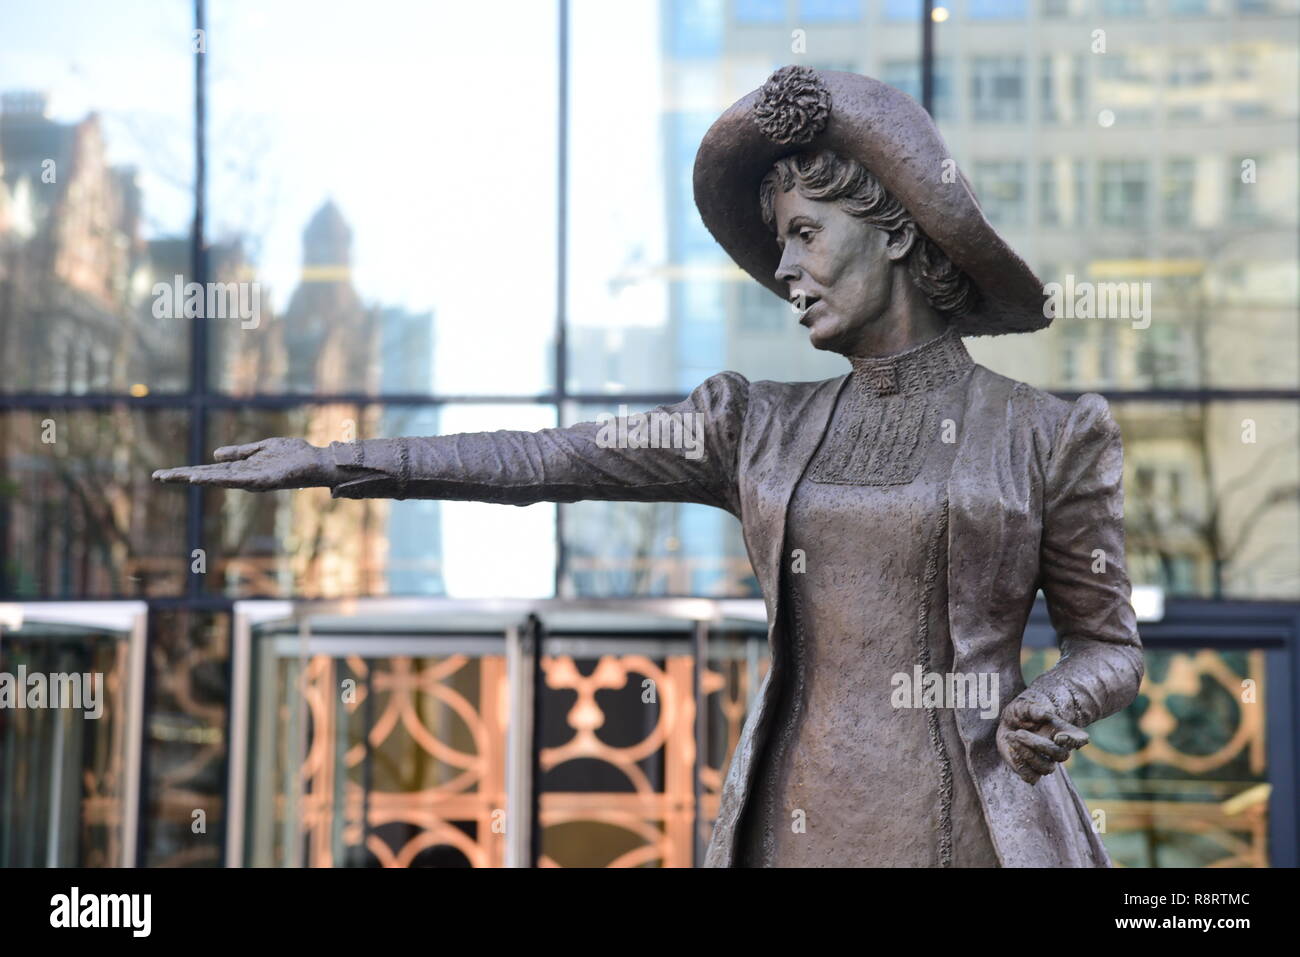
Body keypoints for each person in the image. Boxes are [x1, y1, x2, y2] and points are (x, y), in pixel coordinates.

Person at [155, 67, 1144, 867]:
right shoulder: (753, 427)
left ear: (893, 231)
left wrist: (1059, 698)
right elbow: (545, 457)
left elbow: (1111, 645)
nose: (785, 271)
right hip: (795, 820)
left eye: (804, 235)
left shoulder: (1046, 435)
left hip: (976, 821)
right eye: (777, 244)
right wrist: (335, 460)